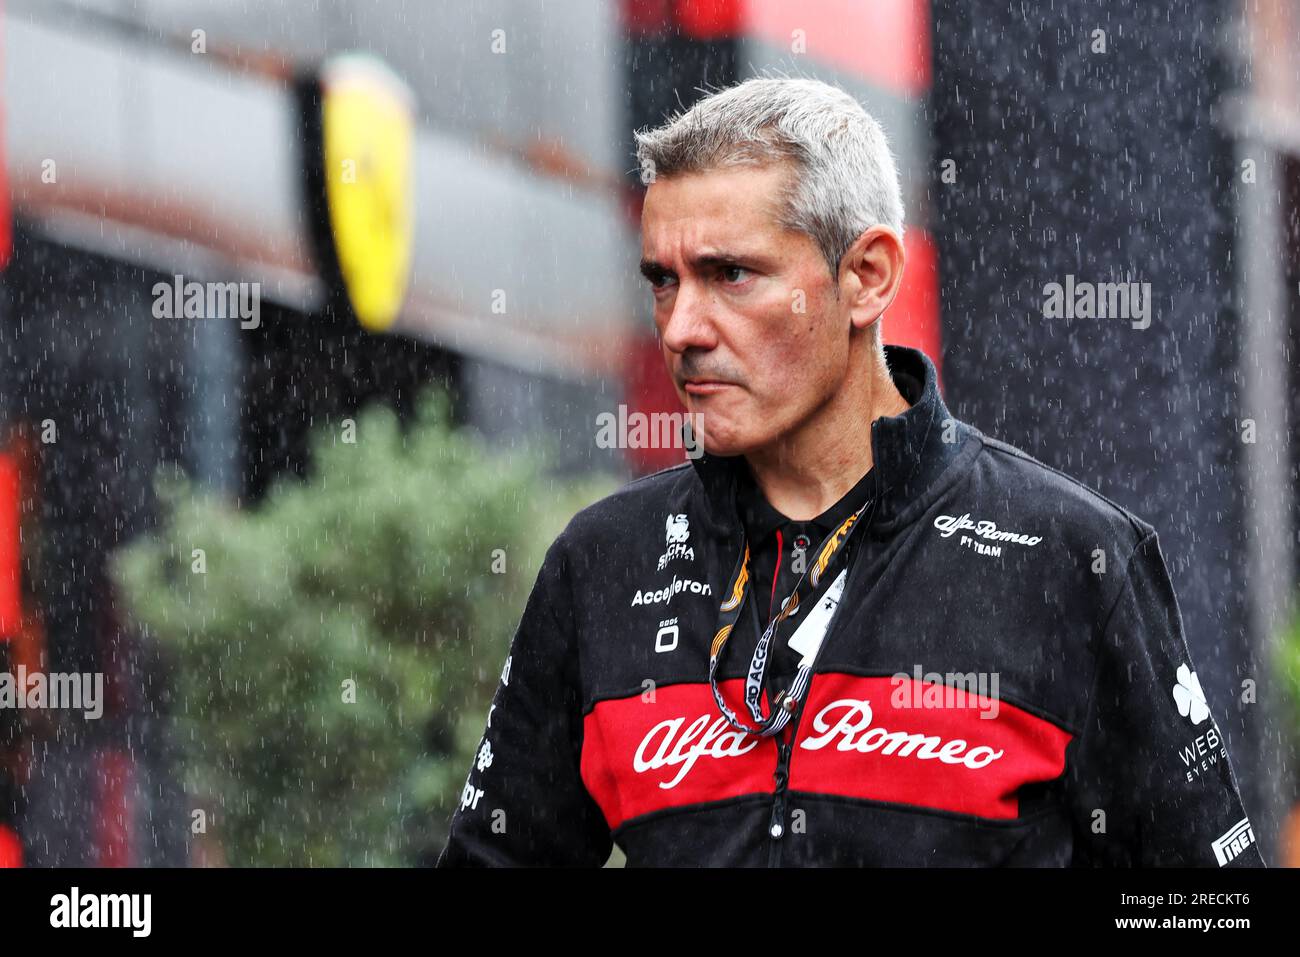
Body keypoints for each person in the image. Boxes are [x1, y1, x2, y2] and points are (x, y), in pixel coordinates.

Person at [437, 77, 1264, 867]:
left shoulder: (1069, 556)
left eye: (731, 274)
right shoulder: (603, 563)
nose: (683, 327)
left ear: (866, 276)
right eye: (663, 281)